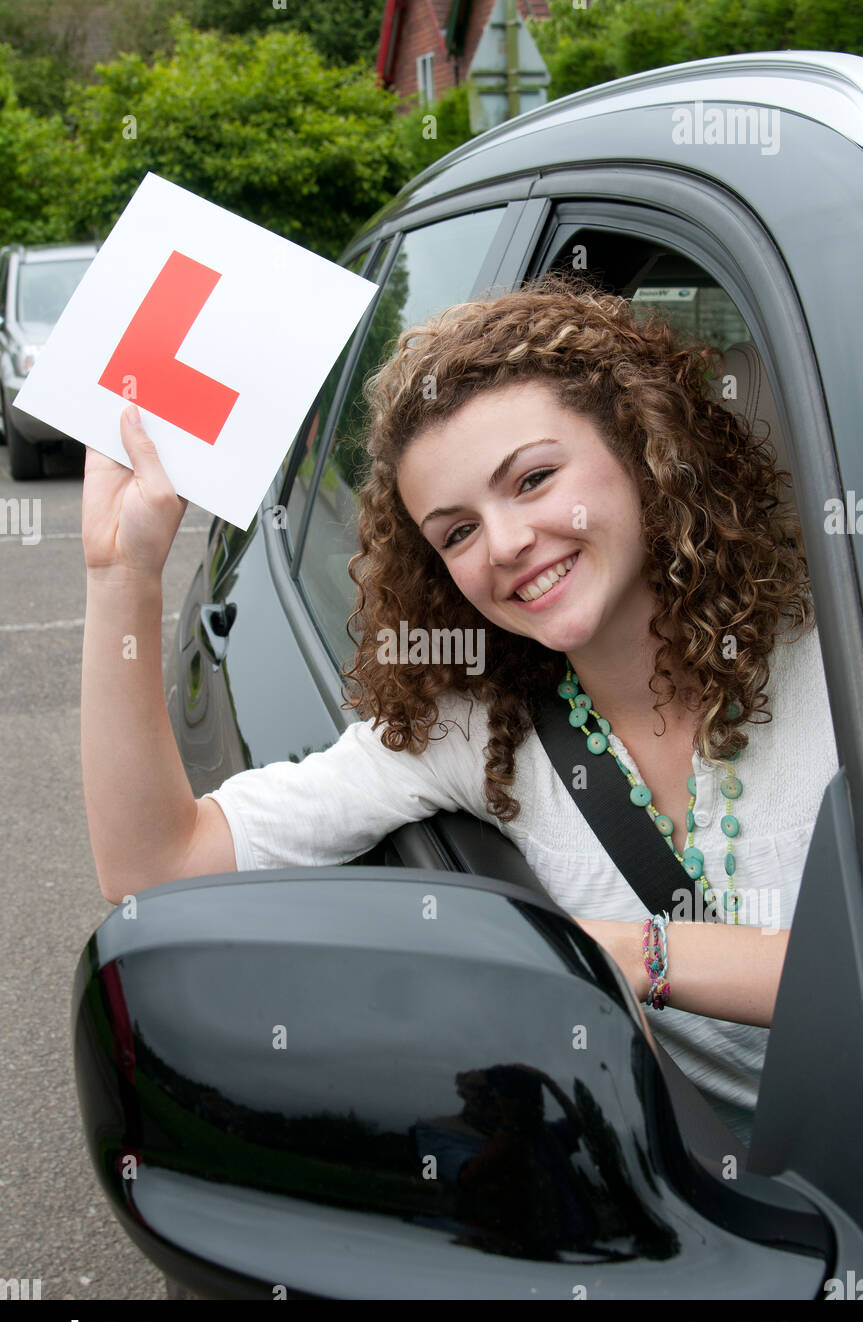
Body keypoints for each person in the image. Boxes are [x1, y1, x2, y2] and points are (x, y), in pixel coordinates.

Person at [80, 271, 838, 1147]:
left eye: (533, 479)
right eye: (457, 532)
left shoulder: (832, 654)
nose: (508, 545)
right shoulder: (474, 722)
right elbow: (155, 866)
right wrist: (122, 577)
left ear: (644, 445)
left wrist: (622, 953)